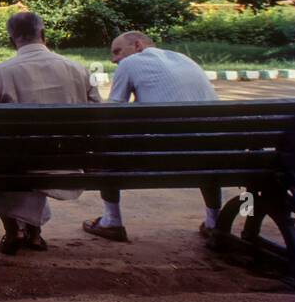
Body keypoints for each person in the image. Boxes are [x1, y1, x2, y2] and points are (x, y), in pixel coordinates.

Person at [83, 31, 221, 243]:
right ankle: (214, 223)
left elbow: (112, 113)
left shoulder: (130, 64)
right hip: (216, 154)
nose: (114, 59)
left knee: (105, 147)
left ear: (138, 45)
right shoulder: (185, 59)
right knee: (200, 140)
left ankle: (112, 221)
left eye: (117, 51)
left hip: (163, 156)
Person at [0, 10, 99, 254]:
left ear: (11, 40)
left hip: (20, 163)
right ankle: (34, 233)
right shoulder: (78, 69)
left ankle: (13, 229)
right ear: (44, 35)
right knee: (45, 145)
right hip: (70, 160)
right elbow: (98, 116)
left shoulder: (0, 73)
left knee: (6, 152)